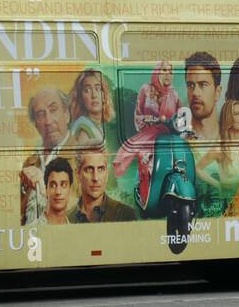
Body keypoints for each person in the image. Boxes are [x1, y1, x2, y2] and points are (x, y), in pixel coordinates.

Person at [113, 60, 181, 207]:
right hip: (148, 136)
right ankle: (145, 199)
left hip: (166, 138)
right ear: (157, 72)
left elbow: (180, 118)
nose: (168, 74)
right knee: (147, 168)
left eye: (170, 71)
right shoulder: (145, 89)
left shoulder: (174, 95)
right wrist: (153, 119)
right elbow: (137, 116)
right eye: (164, 70)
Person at [19, 87, 70, 225]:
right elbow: (20, 215)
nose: (48, 121)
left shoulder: (82, 156)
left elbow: (83, 207)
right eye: (40, 114)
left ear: (66, 114)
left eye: (53, 110)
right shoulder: (29, 162)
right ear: (35, 124)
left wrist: (44, 185)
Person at [197, 99, 239, 212]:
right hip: (229, 203)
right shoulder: (220, 148)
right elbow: (198, 169)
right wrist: (217, 184)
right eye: (236, 114)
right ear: (228, 118)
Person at [70, 143, 137, 223]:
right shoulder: (67, 218)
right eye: (89, 169)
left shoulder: (126, 214)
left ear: (107, 174)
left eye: (101, 169)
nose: (96, 178)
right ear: (77, 175)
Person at [66, 66, 115, 148]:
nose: (94, 95)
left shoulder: (96, 125)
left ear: (104, 95)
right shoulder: (83, 127)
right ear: (81, 97)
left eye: (98, 89)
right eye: (87, 90)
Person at [184, 51, 222, 142]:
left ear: (217, 92)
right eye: (190, 85)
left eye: (203, 85)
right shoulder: (178, 141)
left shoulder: (230, 138)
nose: (195, 93)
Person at [44, 157, 73, 225]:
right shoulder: (33, 228)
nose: (58, 192)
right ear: (46, 190)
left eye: (63, 185)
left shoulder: (76, 232)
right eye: (53, 185)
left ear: (70, 190)